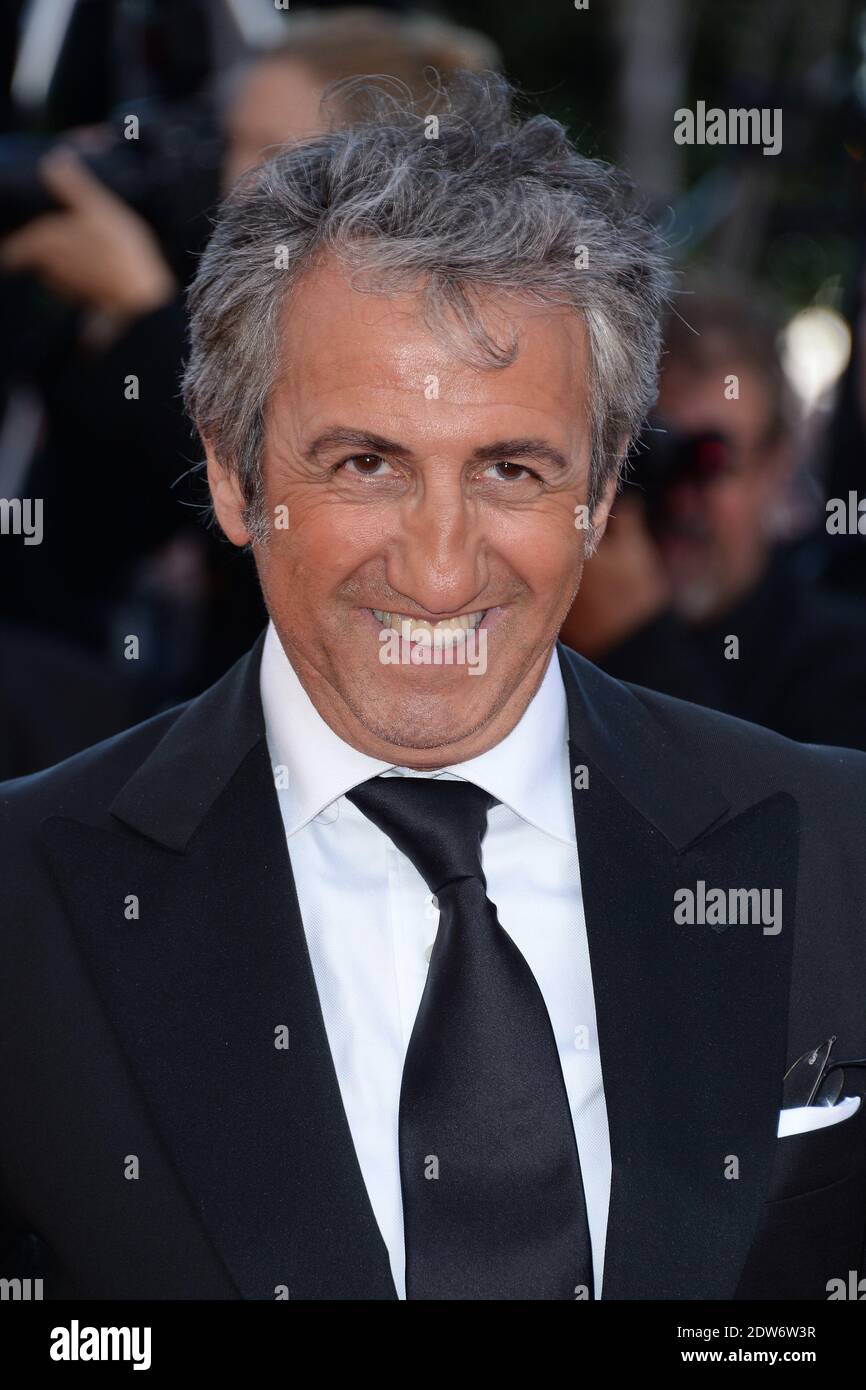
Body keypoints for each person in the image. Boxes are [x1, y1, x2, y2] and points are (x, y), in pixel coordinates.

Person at [1, 73, 864, 1302]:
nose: (441, 566)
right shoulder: (27, 902)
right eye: (365, 462)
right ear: (233, 473)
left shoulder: (838, 848)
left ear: (603, 489)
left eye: (511, 468)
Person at [561, 283, 866, 750]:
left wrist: (637, 646)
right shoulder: (556, 605)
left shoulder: (839, 664)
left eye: (710, 463)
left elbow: (774, 813)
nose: (682, 501)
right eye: (653, 456)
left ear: (776, 466)